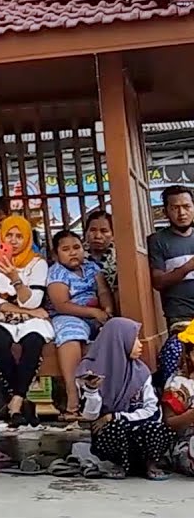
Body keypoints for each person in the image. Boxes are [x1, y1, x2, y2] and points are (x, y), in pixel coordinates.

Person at [80, 318, 175, 480]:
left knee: (158, 428)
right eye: (135, 339)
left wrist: (117, 415)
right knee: (114, 427)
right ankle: (119, 464)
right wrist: (92, 391)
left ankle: (150, 464)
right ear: (119, 340)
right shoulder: (90, 370)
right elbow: (89, 416)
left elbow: (152, 411)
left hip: (140, 436)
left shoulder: (141, 372)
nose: (140, 344)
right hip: (112, 440)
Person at [0, 214, 53, 425]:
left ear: (28, 238)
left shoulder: (37, 263)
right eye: (9, 235)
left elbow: (33, 300)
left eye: (19, 236)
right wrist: (29, 310)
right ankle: (19, 402)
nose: (13, 240)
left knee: (33, 342)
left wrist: (15, 279)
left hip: (31, 322)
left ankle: (15, 401)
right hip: (1, 318)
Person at [48, 229, 115, 417]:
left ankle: (108, 398)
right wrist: (93, 311)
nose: (73, 252)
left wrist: (107, 309)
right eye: (66, 249)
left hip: (96, 316)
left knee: (116, 332)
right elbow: (61, 304)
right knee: (71, 335)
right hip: (69, 315)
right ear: (55, 254)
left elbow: (102, 291)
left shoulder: (92, 268)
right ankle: (73, 397)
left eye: (77, 247)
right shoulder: (56, 273)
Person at [149, 186, 194, 388]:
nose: (182, 213)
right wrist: (187, 267)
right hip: (180, 316)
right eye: (175, 208)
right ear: (166, 211)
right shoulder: (158, 241)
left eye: (186, 206)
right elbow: (158, 282)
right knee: (180, 364)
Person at [161, 322, 194, 476]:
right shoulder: (178, 384)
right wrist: (191, 415)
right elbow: (169, 423)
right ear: (189, 355)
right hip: (187, 443)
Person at [85, 210, 117, 296]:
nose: (97, 236)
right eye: (93, 230)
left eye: (104, 231)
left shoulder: (121, 258)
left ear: (113, 235)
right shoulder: (76, 256)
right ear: (86, 232)